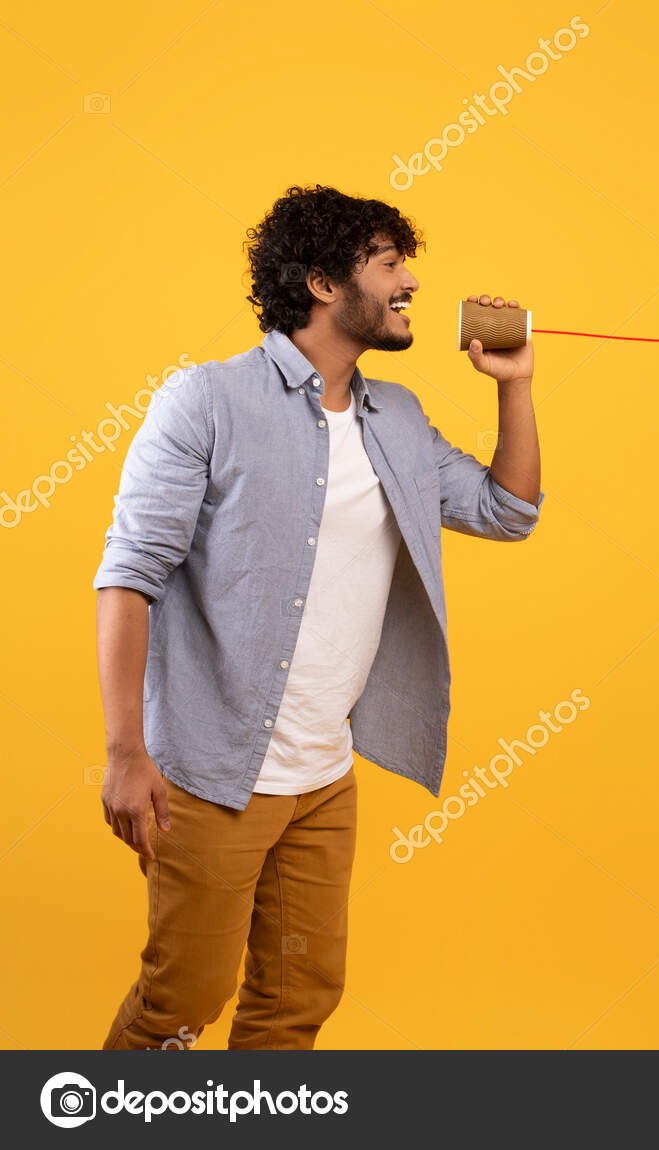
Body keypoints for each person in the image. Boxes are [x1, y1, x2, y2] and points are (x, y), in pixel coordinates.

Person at [93, 184, 543, 1049]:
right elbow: (128, 574)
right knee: (182, 1003)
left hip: (324, 779)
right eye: (388, 263)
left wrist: (513, 386)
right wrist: (124, 753)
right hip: (215, 771)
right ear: (325, 285)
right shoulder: (208, 401)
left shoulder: (398, 419)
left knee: (296, 1006)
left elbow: (507, 511)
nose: (410, 281)